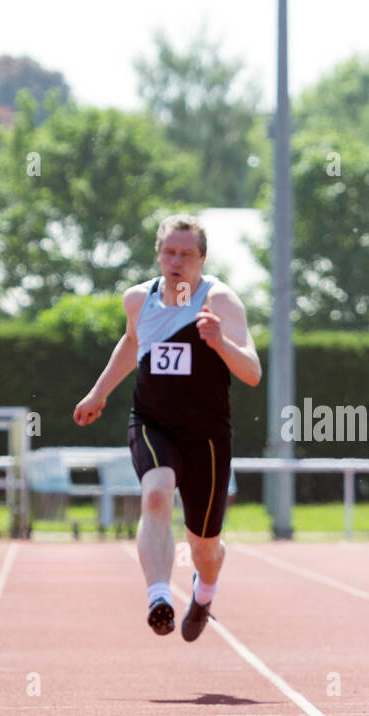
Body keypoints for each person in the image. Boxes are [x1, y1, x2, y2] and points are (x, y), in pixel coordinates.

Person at [73, 215, 261, 641]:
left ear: (202, 259)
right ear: (158, 254)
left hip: (208, 437)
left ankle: (204, 591)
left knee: (204, 547)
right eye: (169, 253)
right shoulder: (139, 300)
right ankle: (159, 596)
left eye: (186, 255)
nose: (176, 262)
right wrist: (98, 393)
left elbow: (251, 372)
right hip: (153, 423)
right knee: (156, 492)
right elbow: (132, 343)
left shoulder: (222, 302)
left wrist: (220, 342)